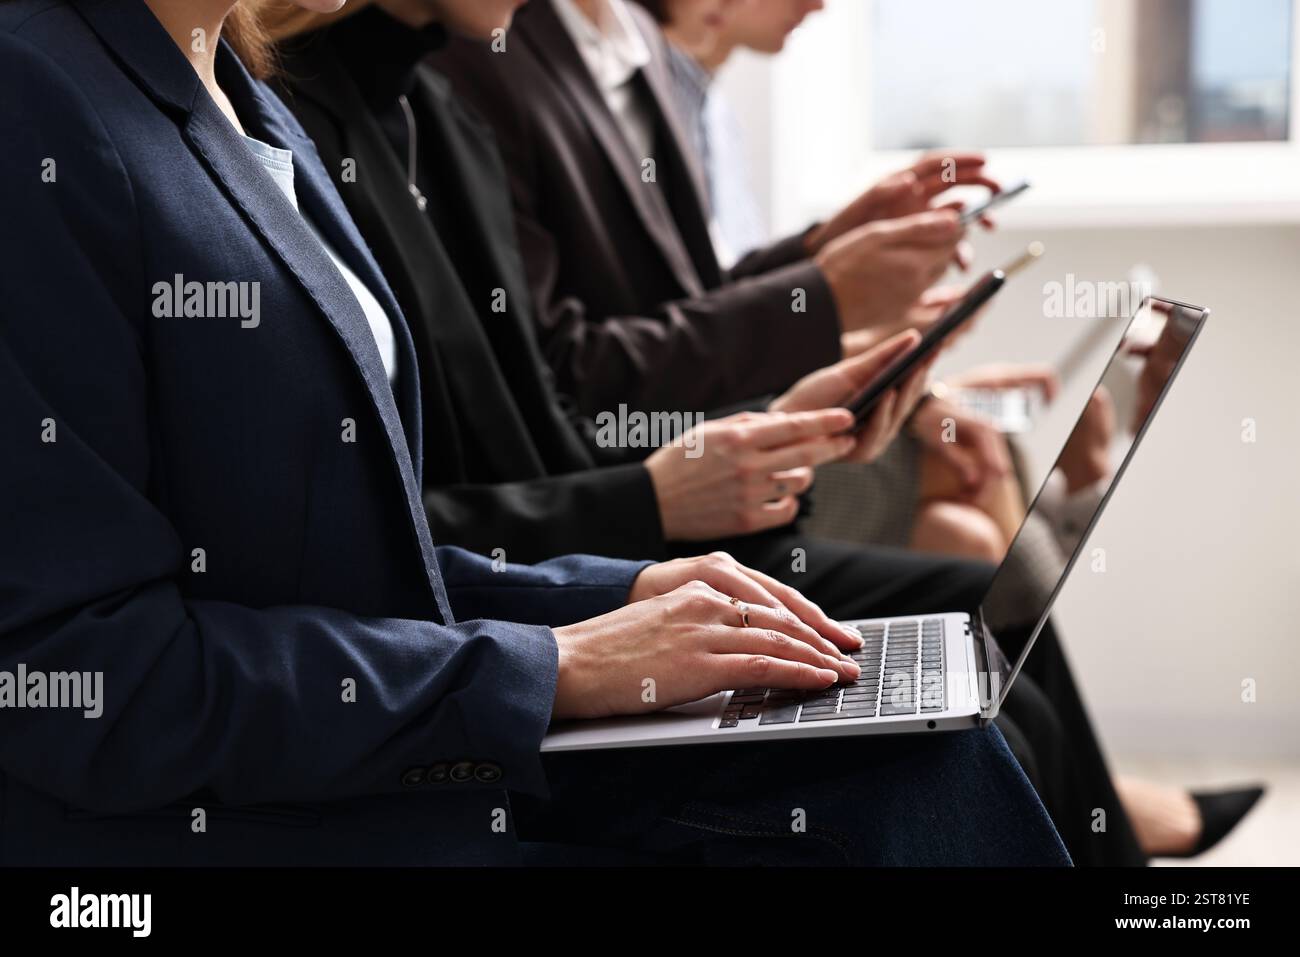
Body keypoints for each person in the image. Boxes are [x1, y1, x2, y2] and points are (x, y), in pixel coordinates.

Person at [0, 0, 1072, 866]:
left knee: (924, 746)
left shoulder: (242, 95)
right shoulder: (35, 93)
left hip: (361, 734)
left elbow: (356, 559)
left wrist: (610, 597)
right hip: (228, 819)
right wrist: (547, 665)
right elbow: (75, 674)